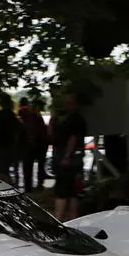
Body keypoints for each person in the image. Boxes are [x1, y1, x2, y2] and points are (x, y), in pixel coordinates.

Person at [50, 91, 86, 221]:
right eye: (66, 103)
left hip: (69, 159)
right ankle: (72, 217)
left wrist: (66, 156)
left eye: (70, 103)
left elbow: (73, 138)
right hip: (69, 158)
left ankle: (59, 218)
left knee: (63, 191)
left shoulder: (76, 120)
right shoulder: (66, 119)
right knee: (72, 191)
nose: (66, 106)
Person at [18, 97, 49, 192]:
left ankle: (28, 187)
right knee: (40, 166)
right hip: (40, 144)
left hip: (29, 145)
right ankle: (39, 185)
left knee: (27, 167)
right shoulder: (36, 115)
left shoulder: (23, 115)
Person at [0, 94, 20, 183]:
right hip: (10, 144)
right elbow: (17, 131)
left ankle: (3, 187)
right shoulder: (12, 115)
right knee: (6, 169)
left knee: (0, 170)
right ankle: (10, 185)